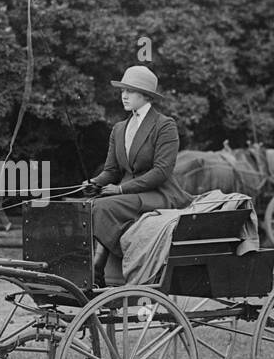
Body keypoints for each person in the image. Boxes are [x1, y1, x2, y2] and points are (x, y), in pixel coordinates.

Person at [81, 66, 192, 286]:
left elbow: (161, 172)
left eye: (130, 91)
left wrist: (121, 189)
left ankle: (97, 270)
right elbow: (112, 170)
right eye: (122, 90)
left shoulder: (164, 125)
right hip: (128, 195)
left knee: (103, 206)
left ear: (146, 95)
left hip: (159, 193)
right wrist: (95, 183)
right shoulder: (119, 128)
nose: (124, 95)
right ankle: (89, 264)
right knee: (86, 204)